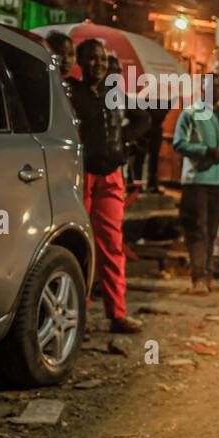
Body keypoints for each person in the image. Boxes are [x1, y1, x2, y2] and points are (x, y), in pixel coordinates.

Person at [69, 38, 148, 334]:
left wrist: (124, 143)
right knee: (81, 244)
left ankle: (117, 314)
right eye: (91, 58)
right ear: (80, 62)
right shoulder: (70, 93)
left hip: (111, 176)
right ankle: (78, 313)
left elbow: (144, 119)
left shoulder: (114, 93)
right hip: (82, 175)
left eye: (102, 59)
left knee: (112, 246)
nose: (98, 64)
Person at [173, 74, 219, 296]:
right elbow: (179, 144)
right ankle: (198, 278)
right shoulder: (190, 114)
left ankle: (207, 276)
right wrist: (207, 152)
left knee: (211, 231)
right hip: (197, 180)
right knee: (197, 231)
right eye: (210, 87)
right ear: (202, 89)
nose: (215, 91)